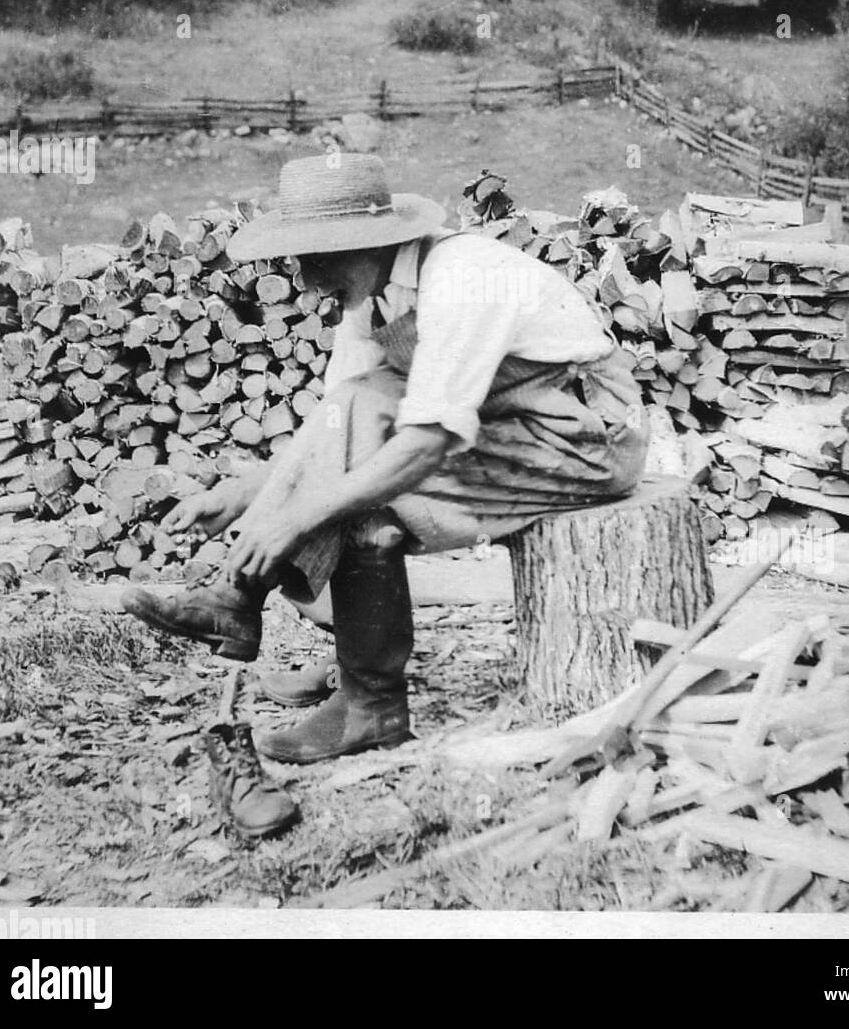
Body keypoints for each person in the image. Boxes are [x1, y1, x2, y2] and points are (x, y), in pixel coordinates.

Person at [122, 153, 648, 765]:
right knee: (359, 454)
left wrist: (294, 517)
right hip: (503, 430)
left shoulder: (462, 275)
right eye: (298, 260)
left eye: (317, 258)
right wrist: (241, 493)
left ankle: (245, 605)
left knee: (359, 471)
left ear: (369, 240)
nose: (306, 279)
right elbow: (334, 426)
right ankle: (367, 703)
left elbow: (426, 441)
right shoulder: (370, 299)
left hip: (585, 439)